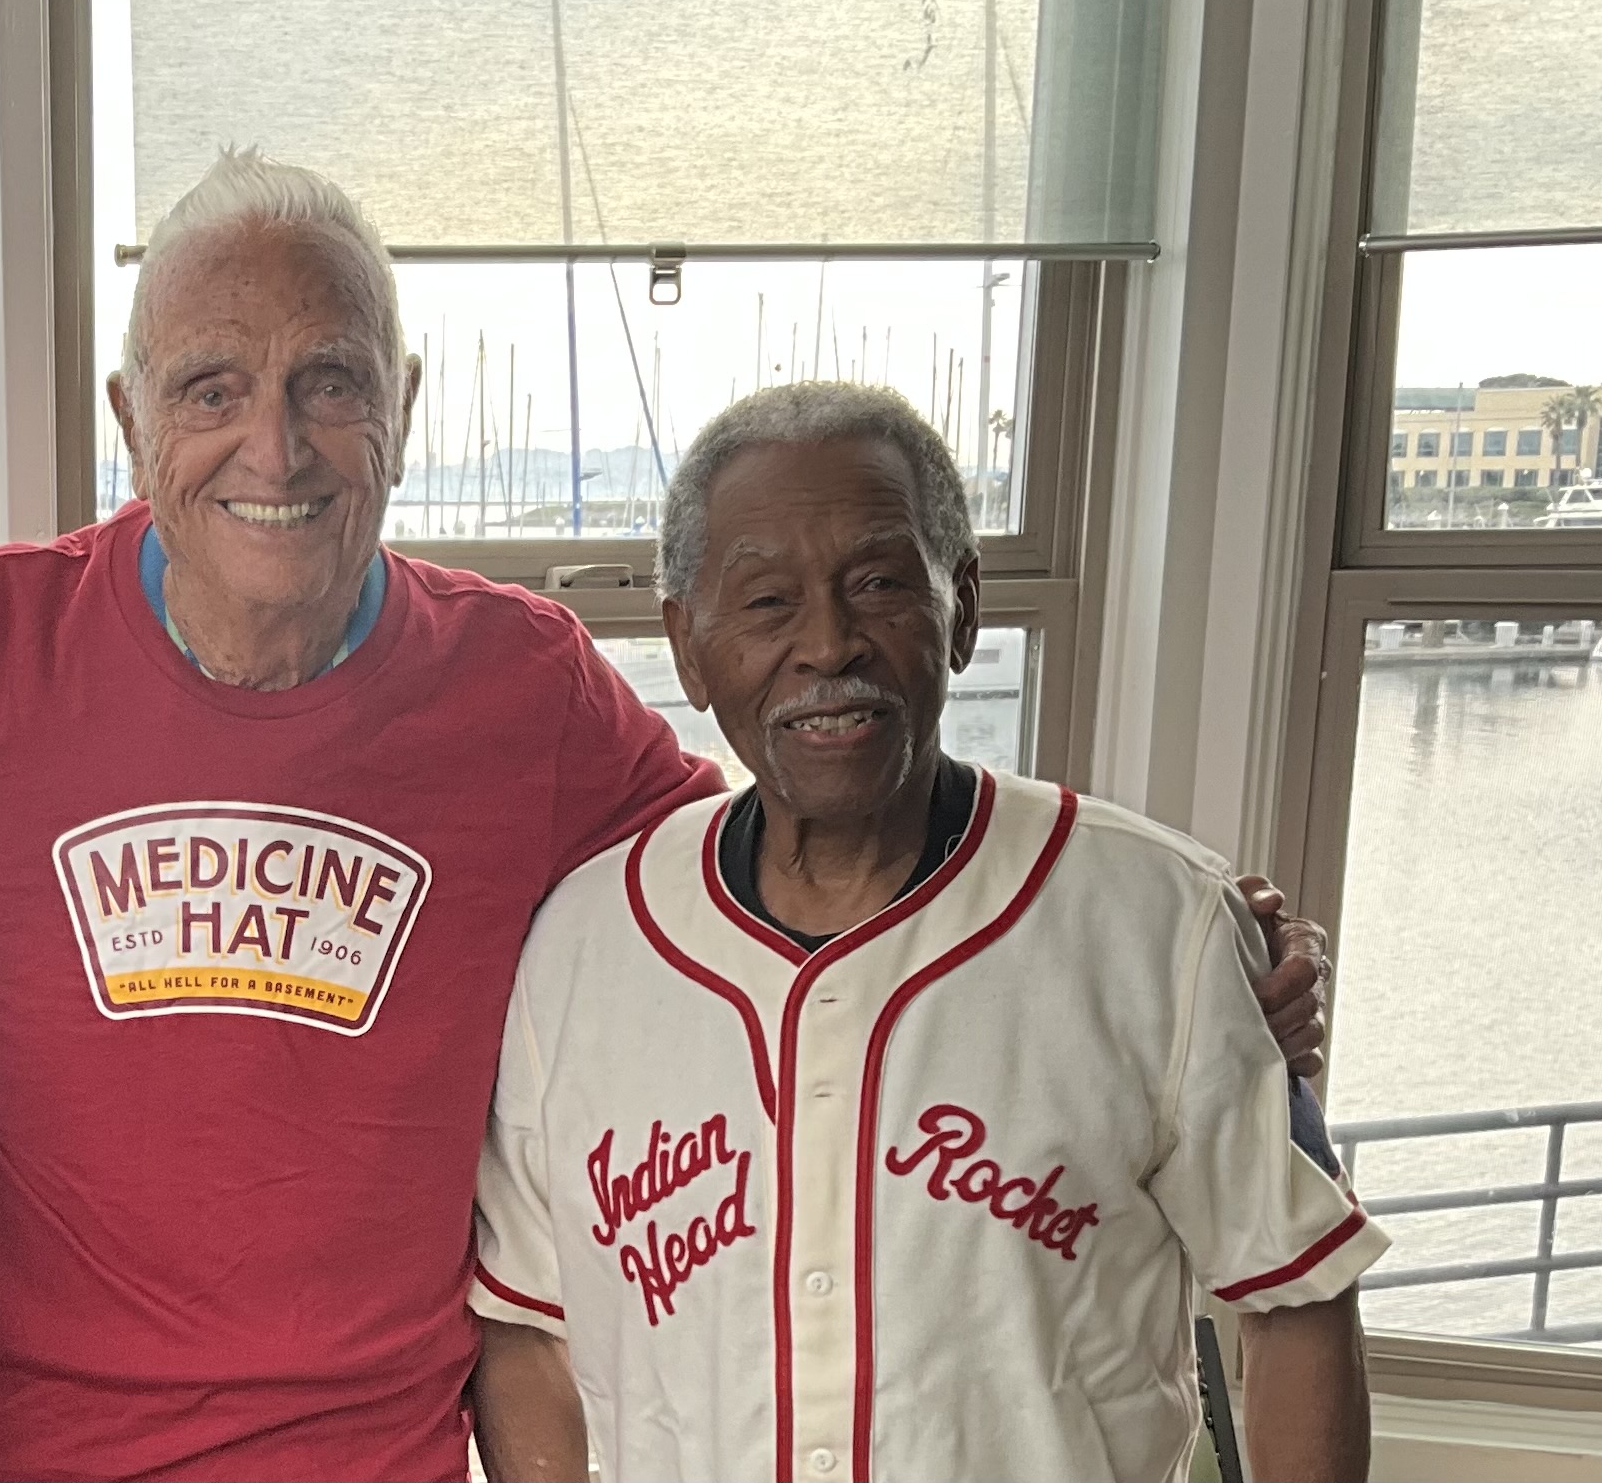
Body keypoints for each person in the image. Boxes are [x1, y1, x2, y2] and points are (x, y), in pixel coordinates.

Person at [0, 153, 1332, 1482]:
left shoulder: (521, 690)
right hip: (1, 1461)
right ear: (130, 423)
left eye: (327, 379)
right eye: (210, 384)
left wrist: (1162, 951)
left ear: (402, 412)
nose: (270, 440)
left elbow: (805, 850)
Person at [466, 382, 1379, 1483]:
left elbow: (1296, 1298)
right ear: (687, 647)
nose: (825, 644)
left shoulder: (1158, 923)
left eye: (879, 584)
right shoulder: (578, 945)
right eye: (763, 603)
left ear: (961, 609)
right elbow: (523, 1328)